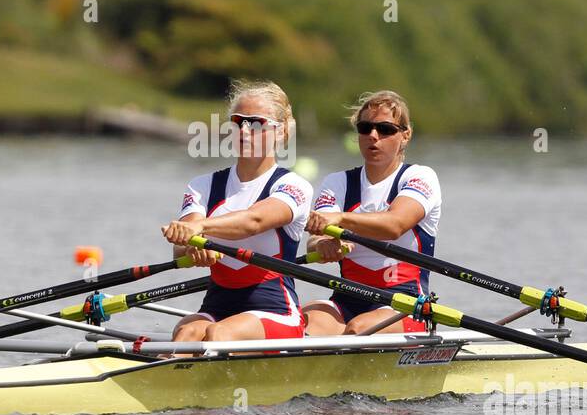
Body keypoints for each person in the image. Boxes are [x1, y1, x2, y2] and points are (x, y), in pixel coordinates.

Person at [160, 80, 313, 342]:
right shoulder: (203, 185)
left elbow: (254, 221)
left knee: (220, 333)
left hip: (275, 311)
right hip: (217, 307)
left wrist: (201, 229)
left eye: (255, 123)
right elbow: (182, 243)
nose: (243, 130)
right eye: (237, 122)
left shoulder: (294, 186)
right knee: (186, 332)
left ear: (280, 131)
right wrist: (193, 245)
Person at [302, 91, 442, 335]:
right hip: (347, 298)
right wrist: (322, 244)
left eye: (385, 129)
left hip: (405, 302)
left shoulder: (420, 177)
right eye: (365, 128)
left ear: (405, 135)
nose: (373, 136)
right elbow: (317, 235)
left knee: (359, 328)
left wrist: (343, 219)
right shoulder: (337, 183)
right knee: (306, 322)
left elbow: (395, 224)